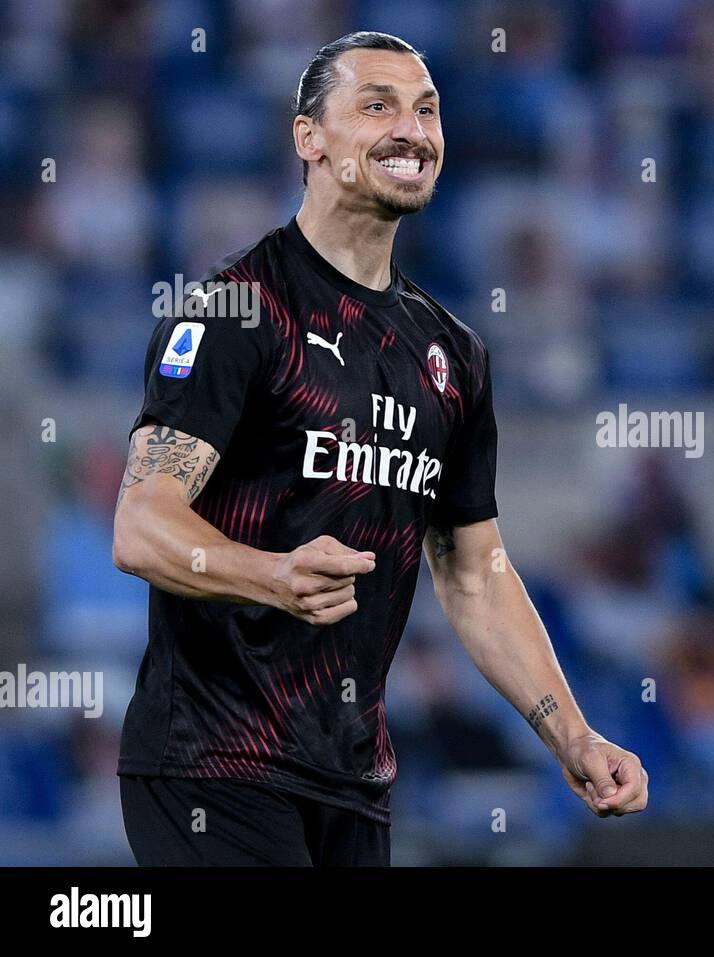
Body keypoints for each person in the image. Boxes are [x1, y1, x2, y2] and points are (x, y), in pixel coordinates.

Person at [111, 31, 647, 866]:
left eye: (427, 109)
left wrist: (573, 737)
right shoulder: (234, 313)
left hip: (353, 780)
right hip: (211, 765)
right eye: (378, 105)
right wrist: (272, 574)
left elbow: (474, 573)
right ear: (308, 139)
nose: (412, 129)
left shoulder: (454, 355)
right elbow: (141, 526)